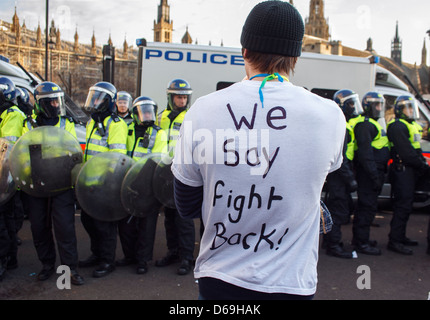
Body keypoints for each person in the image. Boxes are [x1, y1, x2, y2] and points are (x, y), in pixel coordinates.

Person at [171, 1, 345, 299]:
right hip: (291, 283)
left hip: (220, 279)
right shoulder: (329, 115)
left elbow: (186, 206)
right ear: (295, 57)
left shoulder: (203, 110)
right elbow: (314, 183)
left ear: (245, 52)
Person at [20, 81, 84, 285]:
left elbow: (73, 153)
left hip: (61, 183)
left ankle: (70, 269)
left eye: (58, 101)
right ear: (41, 104)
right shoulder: (28, 124)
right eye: (52, 102)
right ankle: (47, 265)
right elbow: (22, 154)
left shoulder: (67, 124)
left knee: (65, 228)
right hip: (36, 183)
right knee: (39, 226)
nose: (57, 105)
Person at [79, 81, 128, 278]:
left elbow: (116, 157)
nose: (95, 102)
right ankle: (96, 253)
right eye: (94, 97)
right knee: (88, 220)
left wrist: (105, 181)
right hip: (89, 180)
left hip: (105, 183)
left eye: (99, 98)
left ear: (109, 102)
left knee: (104, 225)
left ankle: (107, 261)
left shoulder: (116, 124)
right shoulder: (92, 121)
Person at [117, 96, 168, 274]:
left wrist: (140, 182)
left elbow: (156, 160)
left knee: (147, 225)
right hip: (126, 184)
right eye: (143, 111)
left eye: (150, 111)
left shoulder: (159, 133)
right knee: (126, 225)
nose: (147, 114)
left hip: (147, 185)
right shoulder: (127, 128)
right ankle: (129, 255)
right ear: (135, 113)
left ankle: (143, 260)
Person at [157, 79, 196, 275]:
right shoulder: (161, 117)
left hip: (183, 171)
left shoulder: (191, 117)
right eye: (178, 97)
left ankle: (187, 257)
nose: (182, 100)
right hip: (164, 172)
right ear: (170, 98)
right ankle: (173, 251)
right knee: (169, 216)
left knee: (183, 217)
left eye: (184, 97)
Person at [386, 95, 430, 255]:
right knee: (402, 206)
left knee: (407, 206)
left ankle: (401, 236)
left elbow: (416, 149)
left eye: (412, 108)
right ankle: (395, 241)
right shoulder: (397, 126)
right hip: (402, 170)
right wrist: (422, 165)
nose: (411, 111)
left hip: (410, 171)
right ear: (399, 110)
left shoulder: (411, 125)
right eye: (408, 108)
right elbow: (406, 152)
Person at [324, 90, 362, 258]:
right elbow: (342, 158)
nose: (354, 107)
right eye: (351, 104)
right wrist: (350, 180)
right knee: (338, 211)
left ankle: (329, 242)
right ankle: (334, 246)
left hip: (336, 175)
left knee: (334, 209)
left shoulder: (340, 124)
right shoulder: (342, 127)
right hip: (339, 176)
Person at [351, 91, 390, 255]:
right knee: (366, 208)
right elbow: (365, 155)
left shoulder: (372, 123)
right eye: (376, 105)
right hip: (368, 174)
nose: (379, 108)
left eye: (381, 104)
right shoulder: (365, 125)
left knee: (368, 207)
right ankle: (361, 243)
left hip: (373, 173)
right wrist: (374, 176)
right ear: (367, 106)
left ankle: (362, 239)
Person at [0, 76, 25, 281]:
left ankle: (5, 259)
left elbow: (6, 146)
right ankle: (9, 257)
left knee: (5, 218)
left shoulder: (12, 114)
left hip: (5, 172)